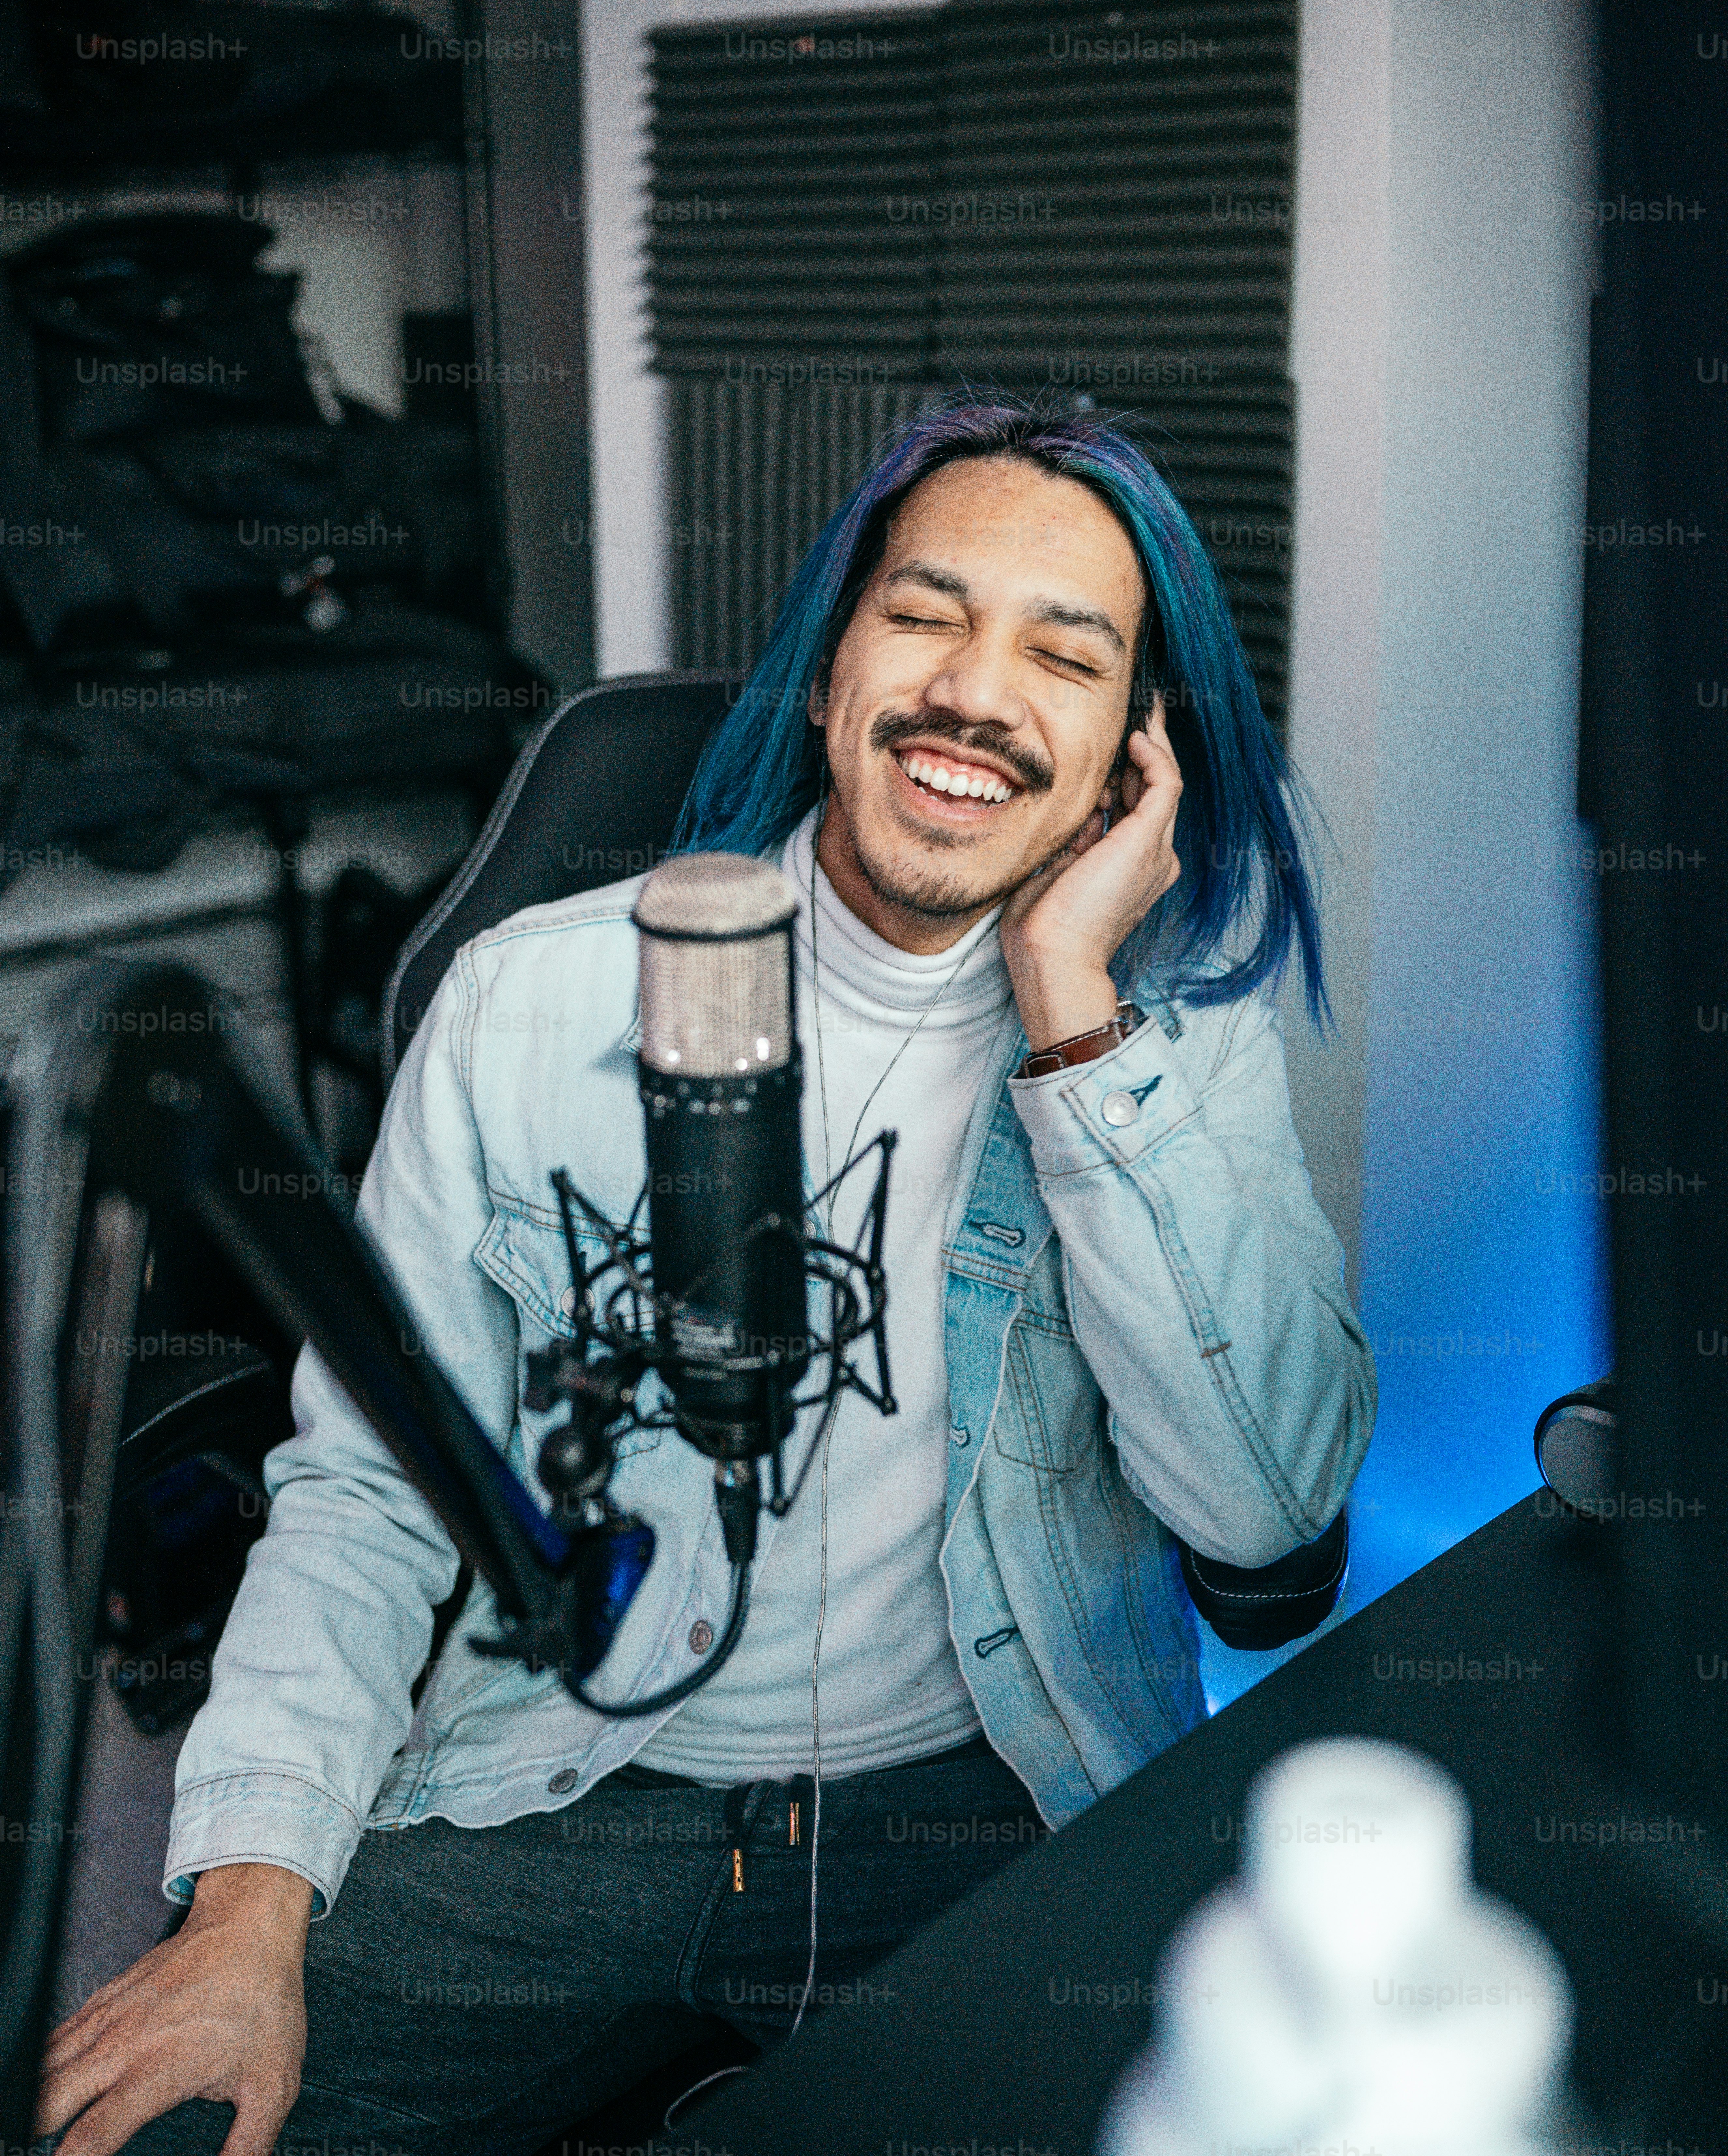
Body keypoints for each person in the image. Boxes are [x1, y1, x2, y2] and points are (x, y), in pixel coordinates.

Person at [37, 398, 1377, 2156]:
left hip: (992, 1784)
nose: (976, 689)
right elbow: (366, 1494)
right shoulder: (532, 1003)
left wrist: (1071, 1010)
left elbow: (1267, 1533)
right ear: (827, 675)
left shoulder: (1164, 1036)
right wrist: (245, 1908)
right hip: (565, 1780)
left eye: (1063, 655)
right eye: (925, 613)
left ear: (1135, 752)